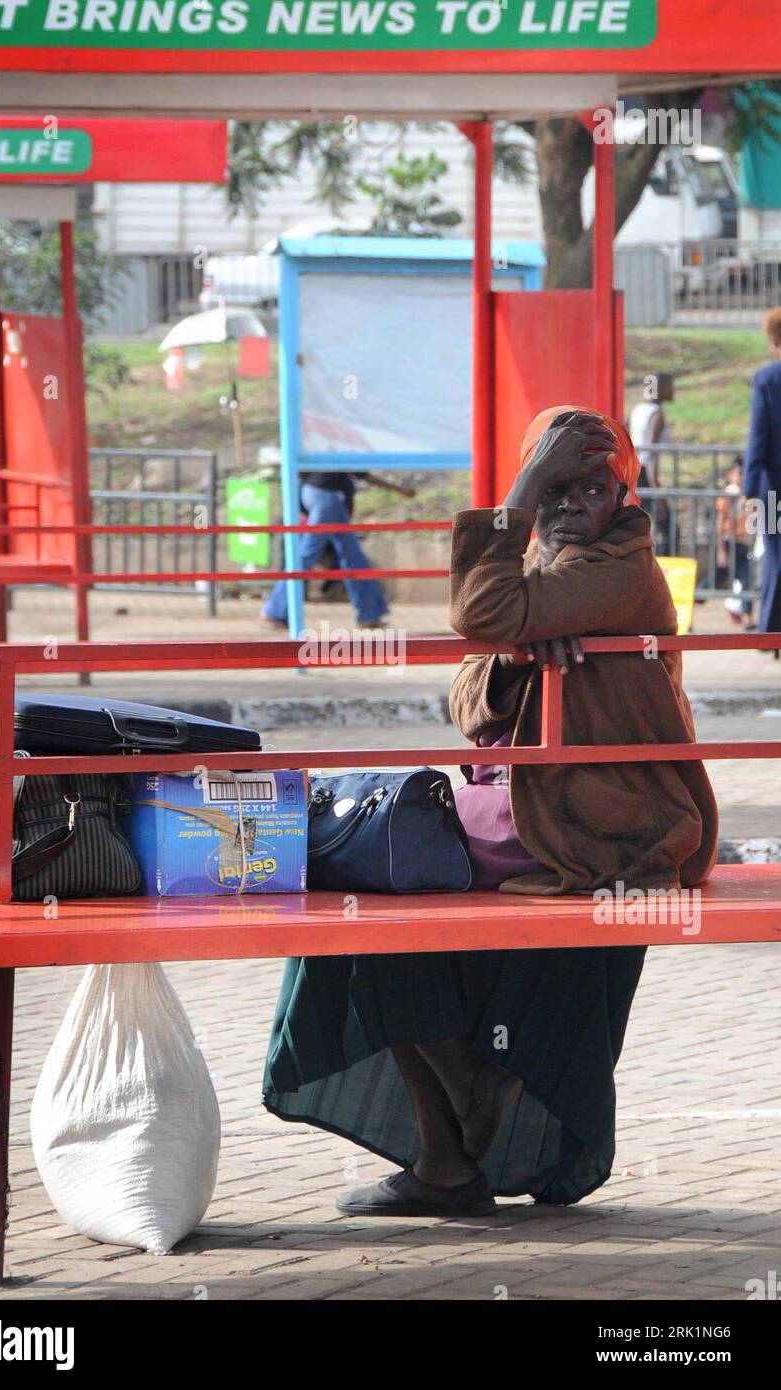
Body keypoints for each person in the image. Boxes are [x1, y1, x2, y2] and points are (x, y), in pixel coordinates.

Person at [262, 408, 717, 1217]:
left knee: (368, 862)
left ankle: (456, 1124)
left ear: (624, 493)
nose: (567, 503)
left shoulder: (621, 563)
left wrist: (518, 533)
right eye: (552, 489)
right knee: (358, 896)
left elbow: (478, 615)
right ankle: (446, 1152)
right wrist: (513, 658)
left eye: (588, 486)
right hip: (528, 807)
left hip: (597, 823)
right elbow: (466, 689)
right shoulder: (541, 565)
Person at [260, 470, 415, 629]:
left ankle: (370, 613)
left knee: (350, 556)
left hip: (316, 494)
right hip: (327, 497)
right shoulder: (338, 450)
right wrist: (399, 489)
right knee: (317, 555)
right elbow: (361, 472)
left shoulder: (319, 449)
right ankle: (274, 610)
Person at [742, 306, 781, 637]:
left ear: (773, 339)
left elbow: (759, 436)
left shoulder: (767, 379)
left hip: (773, 486)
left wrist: (749, 489)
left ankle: (771, 630)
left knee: (775, 555)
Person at [628, 371, 673, 550]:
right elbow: (650, 451)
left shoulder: (638, 409)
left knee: (650, 524)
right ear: (660, 389)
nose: (672, 390)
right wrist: (656, 488)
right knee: (666, 525)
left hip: (635, 471)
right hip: (646, 472)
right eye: (669, 386)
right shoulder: (656, 414)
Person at [715, 458, 754, 627]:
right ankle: (695, 598)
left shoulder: (746, 494)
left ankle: (747, 615)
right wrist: (721, 550)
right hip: (728, 542)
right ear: (730, 475)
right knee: (716, 579)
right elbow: (719, 523)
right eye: (739, 473)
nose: (742, 476)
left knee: (747, 579)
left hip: (742, 543)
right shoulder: (728, 494)